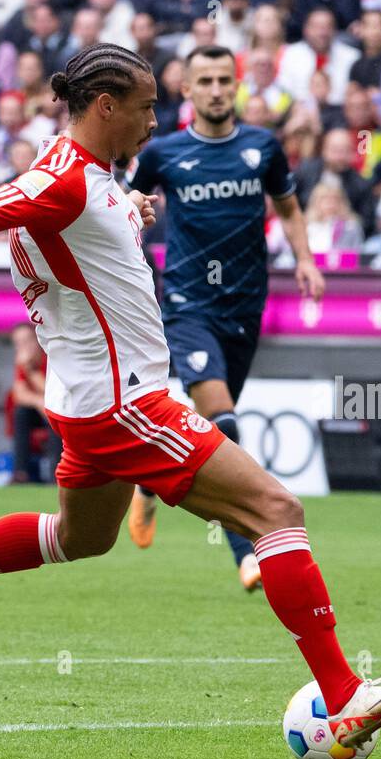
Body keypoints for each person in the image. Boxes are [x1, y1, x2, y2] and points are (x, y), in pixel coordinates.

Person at [0, 44, 381, 750]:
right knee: (276, 510)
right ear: (106, 106)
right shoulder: (63, 178)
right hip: (128, 402)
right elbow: (18, 200)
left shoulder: (84, 177)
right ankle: (344, 695)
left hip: (87, 403)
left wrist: (127, 209)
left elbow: (65, 221)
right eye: (147, 106)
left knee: (79, 538)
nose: (156, 121)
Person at [127, 43, 327, 592]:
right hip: (190, 305)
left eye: (224, 79)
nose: (216, 89)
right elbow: (121, 210)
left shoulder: (262, 147)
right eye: (205, 81)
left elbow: (288, 208)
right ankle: (248, 551)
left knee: (216, 430)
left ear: (235, 86)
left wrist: (306, 259)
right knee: (224, 421)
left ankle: (149, 481)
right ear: (186, 90)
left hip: (246, 305)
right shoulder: (164, 154)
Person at [9, 322, 62, 483]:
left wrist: (30, 371)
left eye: (27, 341)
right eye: (19, 343)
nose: (24, 347)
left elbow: (52, 391)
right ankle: (20, 473)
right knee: (20, 413)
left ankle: (56, 475)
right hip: (40, 408)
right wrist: (38, 401)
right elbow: (19, 394)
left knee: (54, 415)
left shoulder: (51, 357)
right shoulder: (23, 362)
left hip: (60, 408)